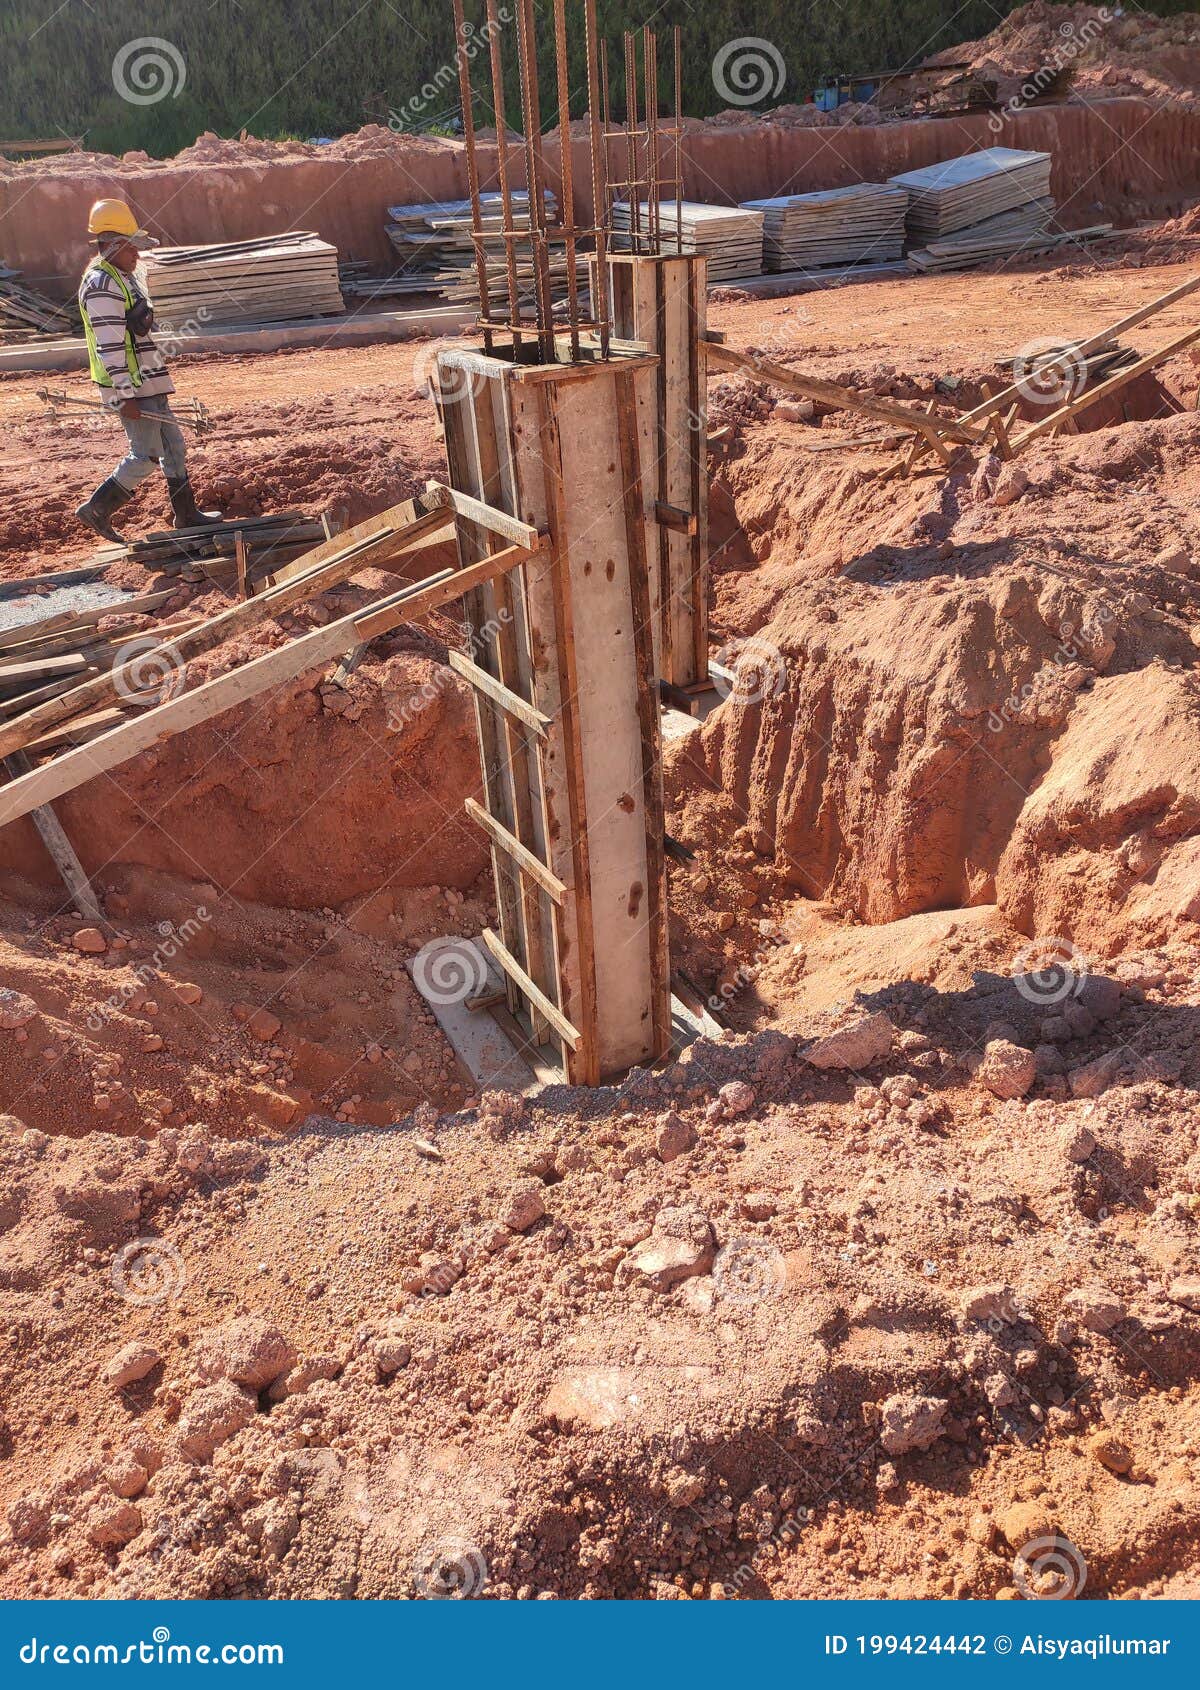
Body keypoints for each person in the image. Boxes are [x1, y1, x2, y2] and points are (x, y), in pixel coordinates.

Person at [75, 198, 222, 542]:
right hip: (129, 386)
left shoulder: (121, 277)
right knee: (145, 455)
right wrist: (123, 395)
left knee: (174, 446)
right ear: (111, 246)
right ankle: (96, 509)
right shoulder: (101, 286)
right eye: (131, 248)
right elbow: (109, 345)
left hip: (148, 379)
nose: (137, 255)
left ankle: (186, 515)